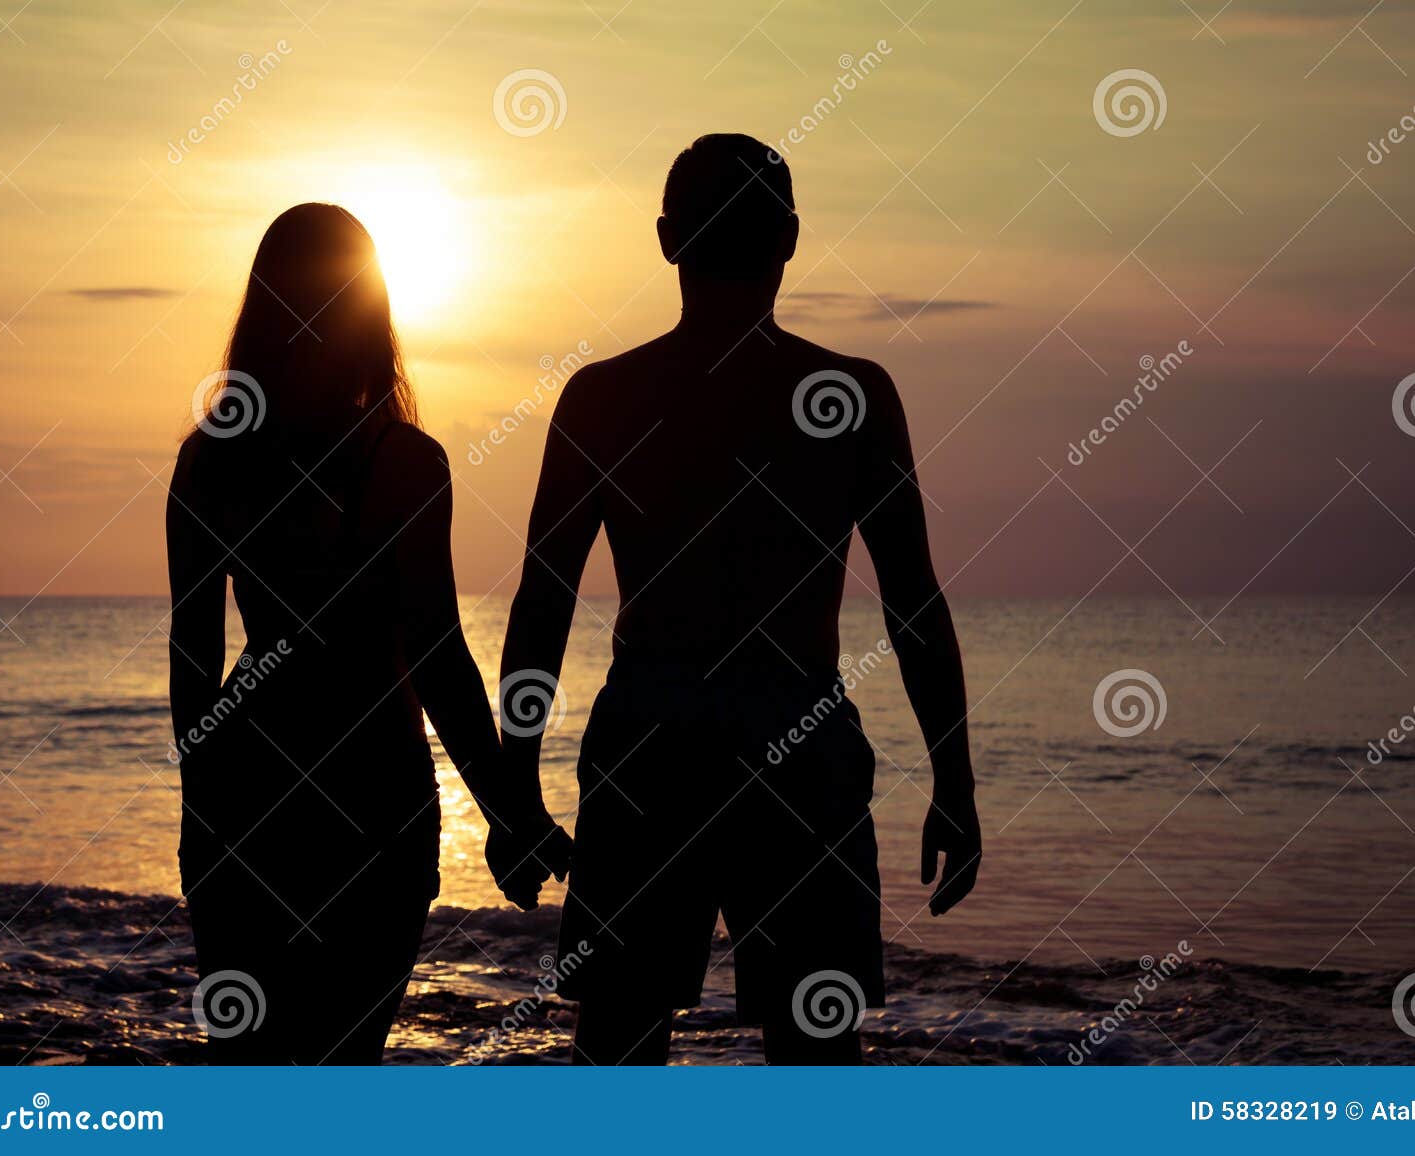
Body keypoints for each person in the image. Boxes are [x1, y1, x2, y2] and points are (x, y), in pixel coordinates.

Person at [498, 134, 981, 1065]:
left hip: (651, 733)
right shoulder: (848, 395)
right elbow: (913, 604)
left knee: (620, 1039)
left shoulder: (604, 397)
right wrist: (953, 781)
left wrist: (516, 783)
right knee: (816, 1046)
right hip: (795, 728)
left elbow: (543, 602)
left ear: (667, 239)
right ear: (791, 240)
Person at [167, 203, 567, 1064]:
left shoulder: (210, 461)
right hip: (370, 795)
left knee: (253, 1068)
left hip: (245, 793)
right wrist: (509, 814)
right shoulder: (405, 464)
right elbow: (437, 655)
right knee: (344, 1066)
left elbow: (191, 657)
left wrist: (203, 807)